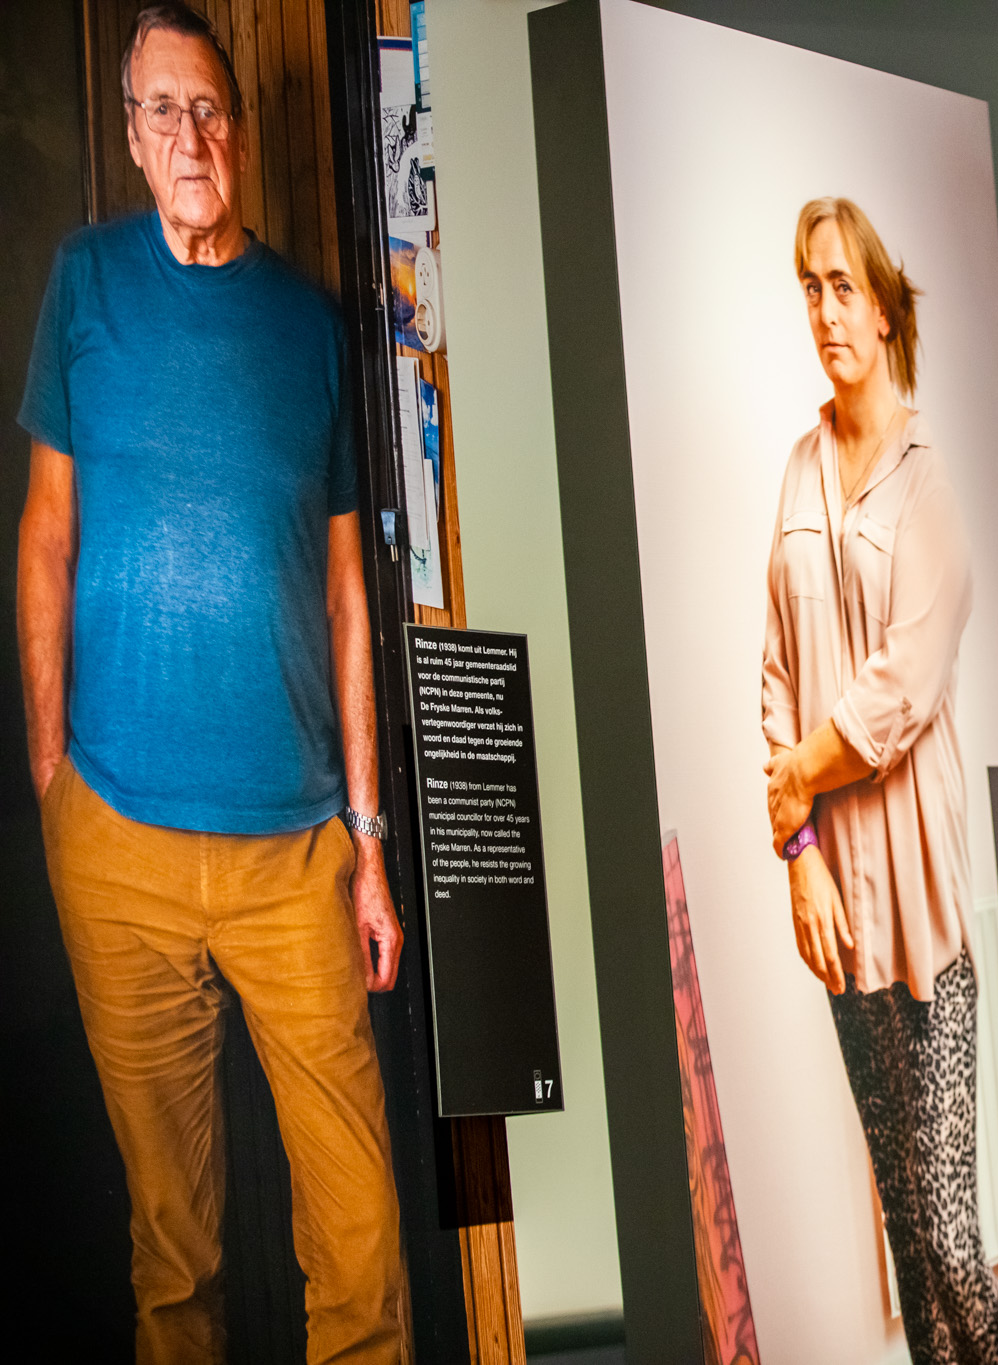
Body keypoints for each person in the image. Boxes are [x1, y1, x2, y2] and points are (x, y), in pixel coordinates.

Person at [15, 5, 409, 1361]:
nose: (191, 133)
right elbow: (47, 533)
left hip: (296, 852)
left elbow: (352, 592)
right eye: (163, 110)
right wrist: (50, 763)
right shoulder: (87, 284)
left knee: (361, 1245)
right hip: (114, 835)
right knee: (173, 1254)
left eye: (209, 109)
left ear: (232, 129)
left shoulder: (308, 326)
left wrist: (366, 838)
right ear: (129, 135)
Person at [760, 197, 998, 1365]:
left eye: (843, 287)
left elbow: (895, 696)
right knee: (905, 1241)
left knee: (955, 1243)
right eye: (809, 287)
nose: (825, 311)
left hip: (920, 909)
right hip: (836, 913)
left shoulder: (931, 484)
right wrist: (800, 854)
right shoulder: (798, 467)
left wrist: (786, 792)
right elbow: (774, 671)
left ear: (883, 304)